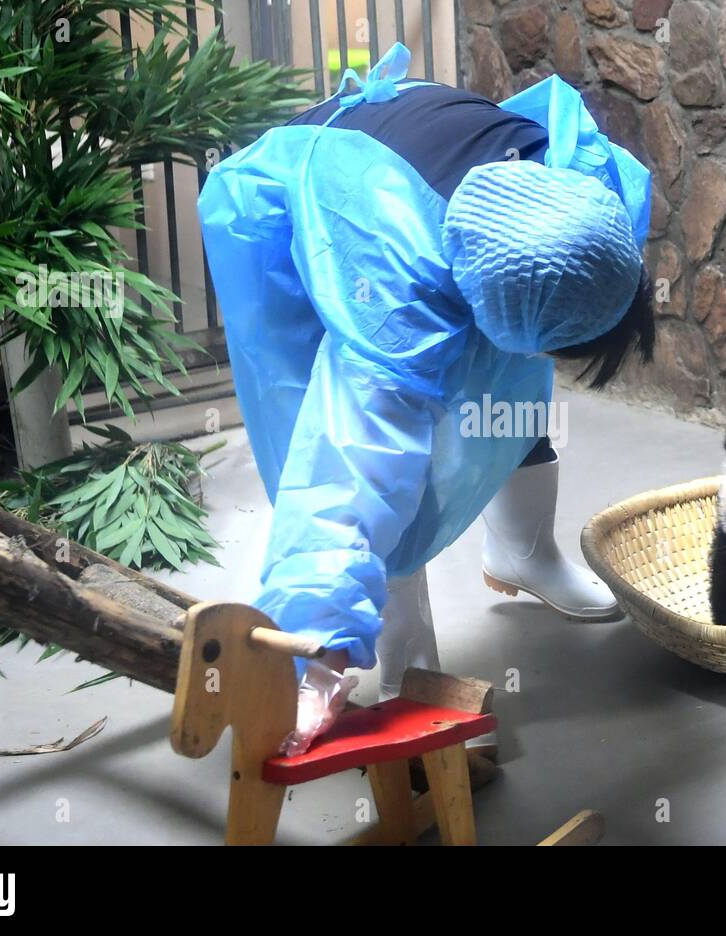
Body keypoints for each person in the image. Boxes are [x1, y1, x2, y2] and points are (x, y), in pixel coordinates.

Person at [198, 44, 654, 756]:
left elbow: (550, 303)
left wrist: (530, 345)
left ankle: (522, 552)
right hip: (292, 204)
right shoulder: (393, 292)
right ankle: (407, 683)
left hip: (433, 175)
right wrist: (316, 647)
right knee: (372, 456)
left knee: (508, 379)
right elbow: (349, 474)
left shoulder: (578, 195)